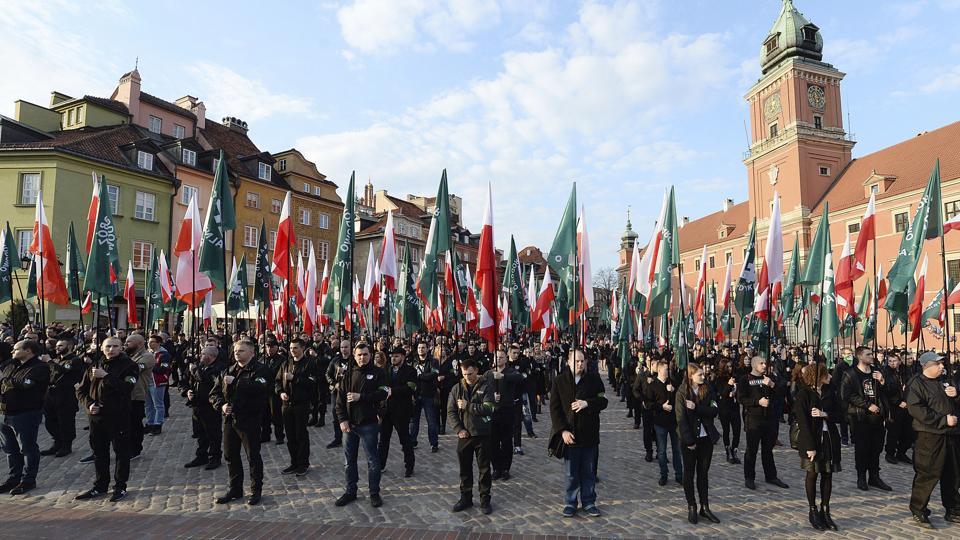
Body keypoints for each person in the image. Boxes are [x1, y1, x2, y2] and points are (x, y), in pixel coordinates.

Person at [75, 337, 140, 502]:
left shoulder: (129, 366)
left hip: (118, 416)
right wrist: (89, 404)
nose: (111, 349)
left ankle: (120, 486)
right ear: (102, 348)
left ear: (121, 348)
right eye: (108, 346)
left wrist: (106, 376)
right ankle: (100, 485)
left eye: (115, 346)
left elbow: (127, 387)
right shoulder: (95, 365)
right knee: (99, 452)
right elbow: (81, 390)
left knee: (121, 452)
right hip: (96, 417)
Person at [210, 339, 272, 506]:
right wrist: (221, 405)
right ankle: (235, 488)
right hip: (231, 419)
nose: (237, 353)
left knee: (252, 456)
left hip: (250, 419)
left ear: (252, 352)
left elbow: (261, 387)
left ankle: (256, 490)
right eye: (236, 350)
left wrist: (237, 382)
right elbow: (215, 394)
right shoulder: (228, 371)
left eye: (242, 351)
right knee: (230, 455)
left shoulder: (261, 369)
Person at [906, 351, 960, 529]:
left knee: (952, 474)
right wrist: (943, 420)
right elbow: (917, 410)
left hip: (950, 436)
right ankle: (919, 509)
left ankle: (952, 508)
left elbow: (954, 403)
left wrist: (956, 394)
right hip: (929, 436)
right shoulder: (916, 384)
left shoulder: (946, 381)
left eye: (942, 363)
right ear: (927, 365)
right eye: (938, 364)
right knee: (927, 474)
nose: (942, 366)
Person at [550, 348, 607, 518]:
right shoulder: (559, 381)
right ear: (568, 362)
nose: (580, 364)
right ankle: (570, 502)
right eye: (576, 361)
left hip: (589, 434)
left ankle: (589, 501)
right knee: (571, 473)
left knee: (589, 471)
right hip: (570, 435)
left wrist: (587, 403)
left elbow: (603, 400)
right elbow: (555, 409)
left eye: (582, 360)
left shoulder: (594, 379)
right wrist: (563, 431)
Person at [335, 341, 389, 508]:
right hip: (350, 425)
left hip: (369, 424)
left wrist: (362, 397)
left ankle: (374, 492)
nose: (362, 358)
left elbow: (383, 393)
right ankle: (351, 491)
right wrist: (342, 420)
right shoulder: (348, 374)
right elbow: (339, 401)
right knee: (349, 461)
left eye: (365, 354)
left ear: (370, 355)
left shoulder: (379, 372)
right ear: (354, 356)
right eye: (359, 355)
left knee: (373, 461)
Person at [794, 363, 841, 531]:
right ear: (818, 376)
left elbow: (841, 414)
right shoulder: (804, 394)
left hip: (829, 438)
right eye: (826, 374)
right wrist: (810, 446)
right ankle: (812, 510)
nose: (829, 376)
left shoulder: (830, 392)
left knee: (827, 474)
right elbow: (803, 423)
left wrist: (825, 414)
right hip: (812, 440)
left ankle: (825, 510)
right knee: (812, 474)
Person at [0, 340, 50, 495]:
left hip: (25, 413)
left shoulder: (40, 367)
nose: (12, 352)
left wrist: (4, 379)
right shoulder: (10, 365)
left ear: (28, 351)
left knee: (27, 448)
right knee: (10, 449)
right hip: (5, 413)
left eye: (16, 349)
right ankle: (13, 478)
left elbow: (26, 384)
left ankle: (28, 480)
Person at [448, 358, 496, 514]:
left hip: (483, 434)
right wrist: (458, 429)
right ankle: (466, 498)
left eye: (470, 373)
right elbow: (451, 411)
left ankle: (484, 500)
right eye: (464, 374)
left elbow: (488, 408)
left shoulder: (486, 386)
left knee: (484, 469)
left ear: (476, 370)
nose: (468, 377)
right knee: (465, 469)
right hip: (465, 435)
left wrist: (468, 406)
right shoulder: (457, 388)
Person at [840, 346, 891, 491]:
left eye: (871, 354)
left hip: (878, 417)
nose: (871, 356)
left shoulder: (877, 372)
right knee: (862, 449)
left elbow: (887, 392)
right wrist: (867, 405)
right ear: (860, 357)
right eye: (868, 354)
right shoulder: (851, 374)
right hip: (860, 417)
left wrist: (882, 381)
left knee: (876, 448)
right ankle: (861, 477)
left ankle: (874, 476)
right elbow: (846, 395)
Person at [676, 362, 720, 525]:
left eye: (703, 374)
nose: (703, 376)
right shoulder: (682, 392)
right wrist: (688, 441)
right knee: (689, 473)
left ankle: (705, 506)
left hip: (706, 438)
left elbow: (714, 410)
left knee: (703, 473)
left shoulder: (708, 389)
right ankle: (692, 505)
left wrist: (697, 407)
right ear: (690, 376)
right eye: (699, 374)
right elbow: (681, 420)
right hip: (690, 440)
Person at [739, 355, 788, 490]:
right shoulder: (745, 380)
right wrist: (757, 402)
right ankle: (749, 477)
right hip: (754, 419)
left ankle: (771, 475)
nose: (764, 366)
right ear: (754, 365)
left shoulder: (768, 379)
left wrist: (772, 385)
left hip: (769, 419)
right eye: (761, 363)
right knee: (751, 450)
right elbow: (741, 398)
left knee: (768, 450)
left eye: (765, 363)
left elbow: (782, 392)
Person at [276, 338, 319, 476]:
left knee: (301, 434)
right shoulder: (285, 364)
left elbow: (313, 382)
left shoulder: (310, 363)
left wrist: (294, 378)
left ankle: (303, 463)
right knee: (290, 435)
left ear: (302, 348)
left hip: (302, 404)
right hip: (286, 405)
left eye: (295, 348)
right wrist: (281, 392)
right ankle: (294, 462)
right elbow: (277, 382)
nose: (292, 350)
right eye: (291, 348)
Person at [184, 345, 225, 470]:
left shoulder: (219, 368)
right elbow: (191, 381)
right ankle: (201, 455)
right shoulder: (201, 366)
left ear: (211, 356)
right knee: (200, 433)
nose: (200, 356)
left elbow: (206, 379)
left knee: (213, 433)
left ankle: (215, 457)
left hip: (211, 405)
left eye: (203, 354)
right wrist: (189, 391)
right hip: (198, 403)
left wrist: (195, 370)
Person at [41, 339, 84, 457]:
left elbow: (62, 371)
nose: (57, 348)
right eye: (57, 346)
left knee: (65, 421)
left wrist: (49, 361)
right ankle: (57, 441)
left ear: (69, 346)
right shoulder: (56, 360)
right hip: (52, 393)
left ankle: (66, 445)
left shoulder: (74, 360)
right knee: (50, 420)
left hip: (66, 394)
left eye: (60, 346)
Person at [379, 346, 417, 477]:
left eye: (396, 356)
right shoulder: (387, 369)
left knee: (405, 440)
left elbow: (411, 387)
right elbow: (382, 384)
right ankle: (381, 464)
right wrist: (384, 390)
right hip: (387, 410)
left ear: (403, 357)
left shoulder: (410, 371)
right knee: (383, 439)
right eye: (392, 356)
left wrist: (393, 391)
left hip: (402, 410)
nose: (393, 358)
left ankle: (409, 466)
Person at [644, 359, 682, 486]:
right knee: (662, 451)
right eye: (666, 369)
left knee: (677, 450)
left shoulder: (673, 383)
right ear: (659, 370)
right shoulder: (653, 385)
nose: (668, 371)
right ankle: (663, 474)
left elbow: (680, 399)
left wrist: (673, 391)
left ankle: (679, 474)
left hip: (673, 422)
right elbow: (648, 404)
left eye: (668, 369)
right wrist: (661, 407)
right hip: (660, 422)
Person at [487, 347, 523, 480]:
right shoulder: (489, 373)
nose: (499, 359)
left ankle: (506, 468)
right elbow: (483, 389)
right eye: (496, 357)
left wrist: (503, 376)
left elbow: (519, 378)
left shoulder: (510, 371)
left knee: (507, 441)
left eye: (501, 357)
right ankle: (496, 468)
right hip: (493, 412)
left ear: (506, 359)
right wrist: (492, 396)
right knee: (493, 442)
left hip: (507, 410)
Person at [125, 334, 154, 459]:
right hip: (123, 394)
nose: (126, 344)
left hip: (136, 395)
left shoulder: (147, 356)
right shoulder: (127, 355)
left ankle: (135, 449)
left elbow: (135, 368)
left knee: (135, 423)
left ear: (140, 344)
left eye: (129, 342)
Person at [410, 342, 441, 452]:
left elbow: (434, 374)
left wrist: (420, 376)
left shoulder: (434, 361)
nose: (421, 349)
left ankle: (434, 443)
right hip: (416, 395)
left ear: (428, 349)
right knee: (414, 421)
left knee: (431, 421)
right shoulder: (414, 361)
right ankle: (412, 441)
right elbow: (411, 377)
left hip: (429, 395)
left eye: (423, 347)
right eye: (419, 347)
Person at [882, 352, 913, 465]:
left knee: (908, 433)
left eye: (894, 361)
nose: (892, 363)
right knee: (893, 433)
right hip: (894, 407)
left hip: (907, 405)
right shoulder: (885, 373)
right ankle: (890, 453)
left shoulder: (906, 371)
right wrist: (898, 401)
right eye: (889, 361)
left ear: (899, 361)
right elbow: (886, 390)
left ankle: (902, 453)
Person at [325, 339, 352, 449]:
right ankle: (338, 438)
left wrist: (345, 372)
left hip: (349, 391)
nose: (343, 349)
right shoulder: (335, 360)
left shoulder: (354, 360)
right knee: (336, 414)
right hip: (337, 392)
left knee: (350, 414)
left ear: (350, 348)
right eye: (342, 347)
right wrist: (333, 383)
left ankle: (350, 436)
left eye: (346, 347)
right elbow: (327, 374)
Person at [145, 335, 171, 435]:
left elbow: (162, 369)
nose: (150, 343)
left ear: (158, 343)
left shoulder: (164, 354)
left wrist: (150, 365)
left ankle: (157, 424)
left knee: (158, 404)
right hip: (147, 381)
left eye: (152, 342)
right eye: (149, 341)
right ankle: (150, 423)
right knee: (148, 405)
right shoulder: (148, 353)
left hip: (158, 382)